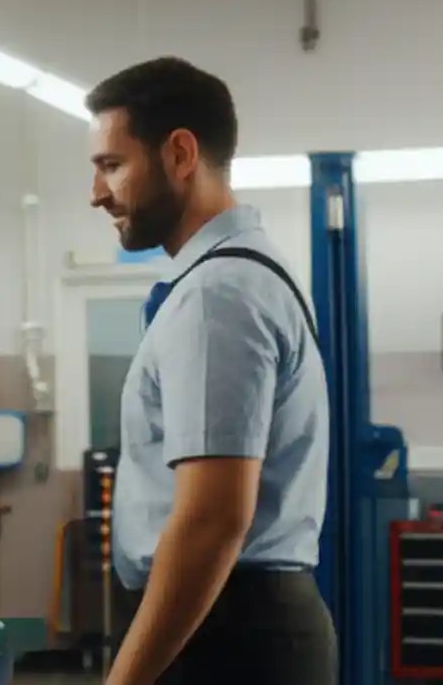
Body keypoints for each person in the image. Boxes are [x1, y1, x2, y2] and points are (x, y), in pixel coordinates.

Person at [84, 57, 337, 684]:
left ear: (178, 154)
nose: (96, 193)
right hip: (231, 621)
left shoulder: (216, 296)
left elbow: (213, 519)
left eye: (112, 165)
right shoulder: (243, 273)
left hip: (224, 634)